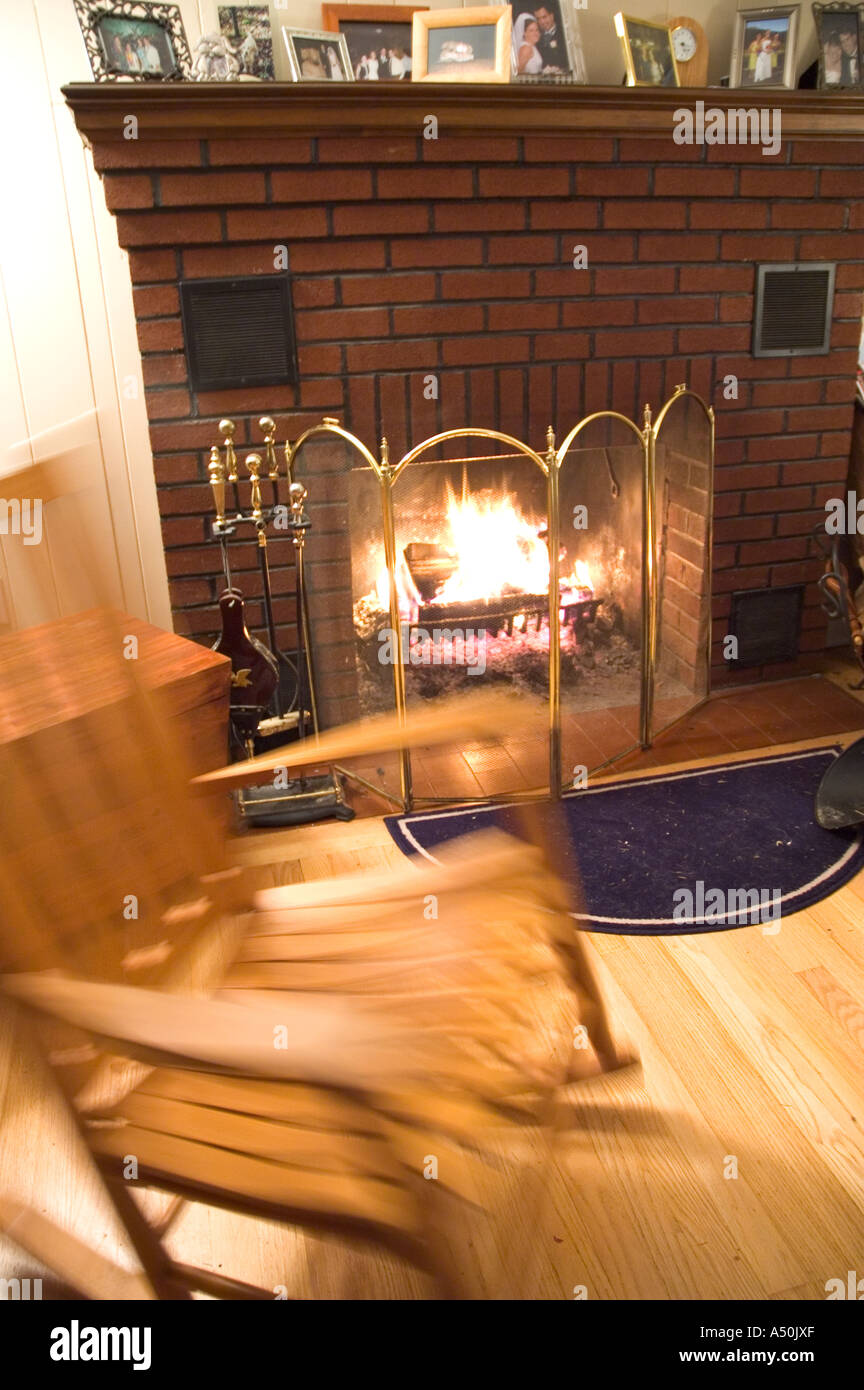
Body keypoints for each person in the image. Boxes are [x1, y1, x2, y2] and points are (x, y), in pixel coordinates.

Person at [533, 3, 564, 71]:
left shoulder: (563, 33)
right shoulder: (536, 38)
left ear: (551, 16)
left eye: (544, 17)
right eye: (538, 19)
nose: (542, 22)